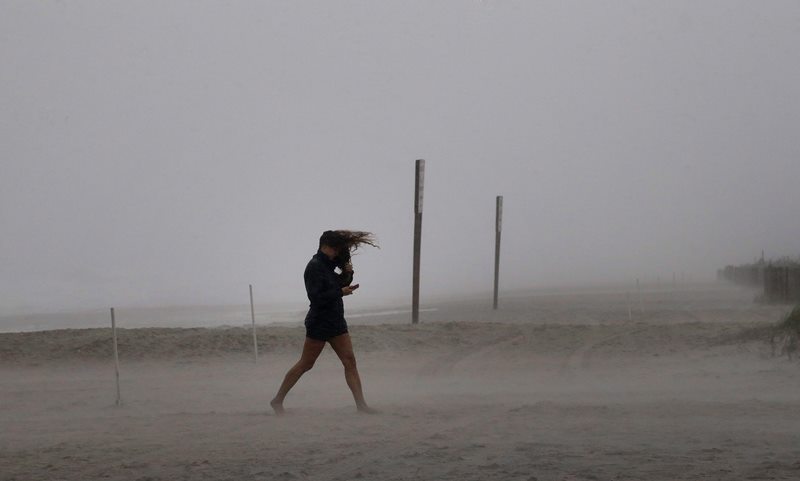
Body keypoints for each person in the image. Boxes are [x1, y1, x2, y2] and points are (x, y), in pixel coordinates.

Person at [270, 230, 379, 415]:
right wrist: (340, 292)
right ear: (326, 247)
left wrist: (348, 272)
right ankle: (277, 400)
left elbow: (339, 282)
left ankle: (361, 405)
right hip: (319, 322)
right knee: (306, 364)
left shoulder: (329, 265)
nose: (337, 253)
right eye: (336, 249)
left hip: (336, 321)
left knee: (350, 361)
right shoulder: (314, 267)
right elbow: (316, 297)